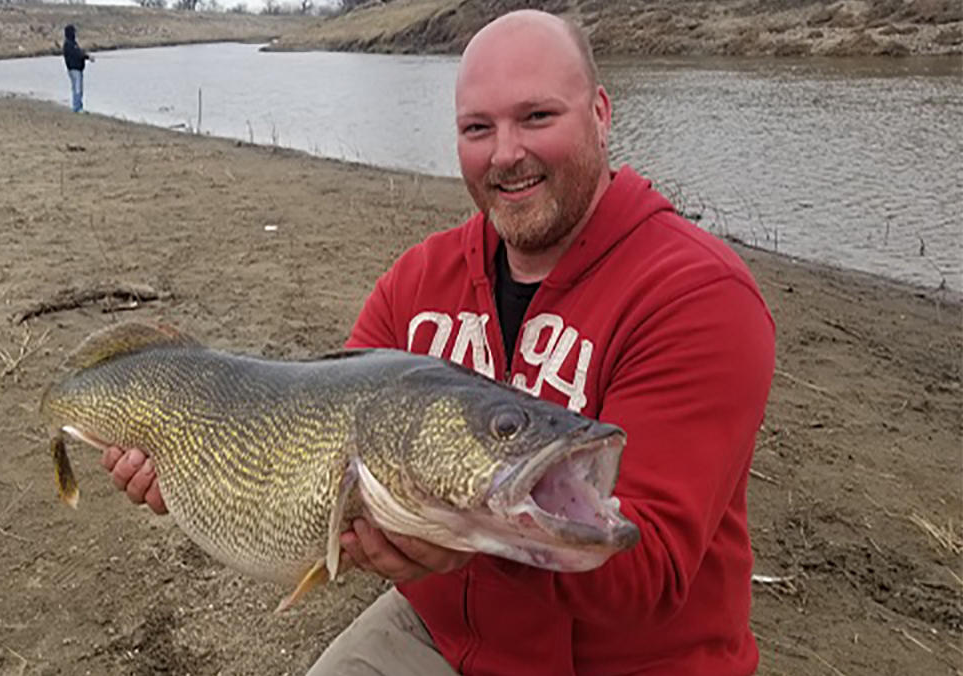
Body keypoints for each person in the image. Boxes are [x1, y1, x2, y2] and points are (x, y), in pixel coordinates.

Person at [102, 9, 775, 675]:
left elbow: (647, 575)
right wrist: (193, 474)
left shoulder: (699, 296)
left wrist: (465, 544)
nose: (506, 153)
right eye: (478, 128)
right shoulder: (418, 280)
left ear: (600, 113)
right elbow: (325, 447)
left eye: (537, 117)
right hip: (445, 633)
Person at [62, 24, 94, 113]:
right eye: (73, 32)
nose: (75, 34)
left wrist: (86, 56)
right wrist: (87, 57)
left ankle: (77, 106)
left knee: (76, 88)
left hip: (75, 69)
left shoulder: (72, 43)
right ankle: (77, 107)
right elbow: (78, 54)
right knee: (77, 88)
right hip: (74, 69)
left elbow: (79, 53)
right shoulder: (69, 44)